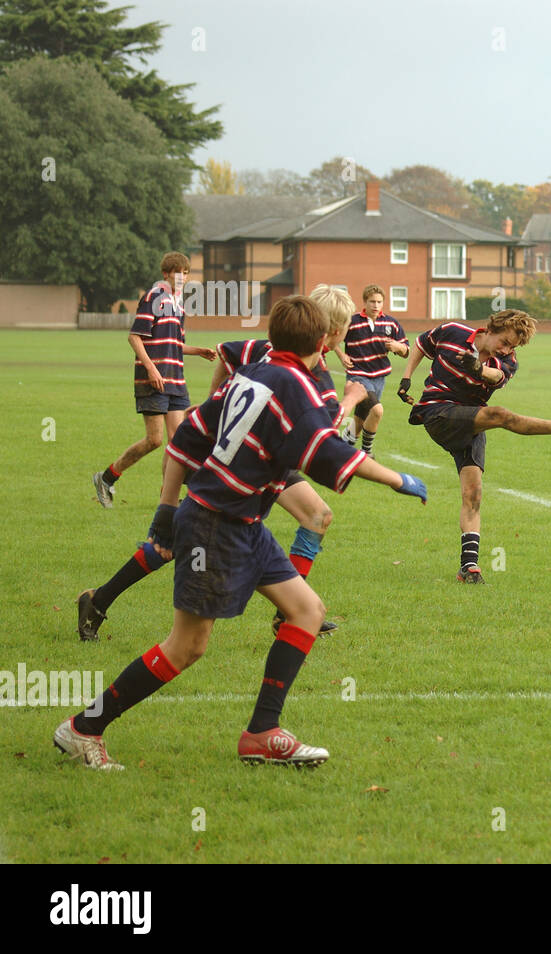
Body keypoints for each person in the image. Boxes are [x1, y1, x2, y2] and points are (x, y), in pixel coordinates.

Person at [55, 295, 428, 770]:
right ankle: (84, 727)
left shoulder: (252, 373)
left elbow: (187, 436)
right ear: (322, 341)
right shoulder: (296, 386)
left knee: (306, 610)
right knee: (187, 647)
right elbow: (327, 455)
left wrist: (167, 509)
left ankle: (261, 733)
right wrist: (400, 480)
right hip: (216, 526)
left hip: (242, 522)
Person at [76, 285, 359, 642]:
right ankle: (98, 600)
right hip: (226, 458)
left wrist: (218, 402)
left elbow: (226, 353)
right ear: (332, 333)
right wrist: (352, 399)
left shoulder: (275, 350)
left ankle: (290, 612)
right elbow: (328, 436)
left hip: (258, 457)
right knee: (180, 541)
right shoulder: (313, 375)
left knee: (317, 515)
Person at [397, 309, 551, 582]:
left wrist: (478, 369)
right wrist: (406, 377)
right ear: (491, 328)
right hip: (438, 413)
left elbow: (496, 377)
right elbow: (422, 344)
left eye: (513, 347)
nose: (507, 350)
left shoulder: (507, 362)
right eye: (505, 342)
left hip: (472, 421)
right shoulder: (452, 332)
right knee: (500, 415)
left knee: (473, 495)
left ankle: (468, 568)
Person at [93, 252, 217, 507]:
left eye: (185, 273)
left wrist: (199, 351)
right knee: (155, 440)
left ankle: (167, 499)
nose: (181, 277)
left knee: (179, 442)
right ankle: (106, 478)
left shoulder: (178, 305)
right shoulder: (154, 297)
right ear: (166, 274)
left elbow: (175, 344)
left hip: (176, 380)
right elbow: (135, 337)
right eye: (177, 272)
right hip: (154, 380)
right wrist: (151, 369)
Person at [335, 285, 408, 457]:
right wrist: (341, 354)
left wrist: (398, 347)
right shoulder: (352, 322)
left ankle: (346, 443)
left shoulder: (391, 323)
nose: (376, 305)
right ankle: (366, 452)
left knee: (362, 416)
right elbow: (332, 336)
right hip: (358, 375)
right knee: (377, 411)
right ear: (365, 302)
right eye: (372, 301)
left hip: (379, 377)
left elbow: (407, 351)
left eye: (379, 302)